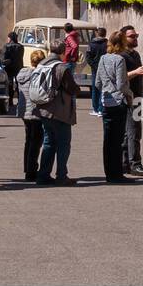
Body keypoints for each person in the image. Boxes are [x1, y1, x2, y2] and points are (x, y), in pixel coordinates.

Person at [34, 41, 80, 186]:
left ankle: (43, 175)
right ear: (62, 51)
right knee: (63, 144)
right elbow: (71, 88)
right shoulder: (61, 68)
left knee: (48, 143)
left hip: (44, 108)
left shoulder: (42, 65)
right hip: (60, 111)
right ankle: (61, 175)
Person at [96, 33, 136, 183]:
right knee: (117, 139)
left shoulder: (103, 58)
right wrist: (129, 93)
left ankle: (109, 173)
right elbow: (120, 84)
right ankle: (117, 174)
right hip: (118, 101)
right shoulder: (119, 59)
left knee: (108, 140)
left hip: (106, 101)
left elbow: (97, 83)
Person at [121, 26, 143, 176]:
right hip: (128, 98)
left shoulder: (135, 54)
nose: (135, 38)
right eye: (132, 36)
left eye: (136, 36)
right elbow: (120, 77)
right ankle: (134, 164)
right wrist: (136, 72)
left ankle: (126, 163)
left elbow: (139, 74)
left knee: (135, 132)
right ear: (123, 38)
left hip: (139, 97)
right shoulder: (121, 55)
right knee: (132, 132)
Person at [16, 47, 46, 181]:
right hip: (35, 110)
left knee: (28, 140)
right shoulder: (39, 75)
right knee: (36, 141)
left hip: (24, 111)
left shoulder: (22, 73)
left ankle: (27, 167)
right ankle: (31, 170)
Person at [84, 28, 106, 116]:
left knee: (95, 88)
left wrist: (94, 65)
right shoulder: (107, 44)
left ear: (97, 34)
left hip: (95, 69)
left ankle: (96, 109)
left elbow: (88, 57)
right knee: (103, 88)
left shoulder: (91, 44)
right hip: (104, 68)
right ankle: (101, 109)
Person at [2, 31, 24, 113]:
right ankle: (20, 100)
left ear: (10, 38)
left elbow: (4, 57)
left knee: (10, 84)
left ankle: (10, 100)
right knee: (19, 84)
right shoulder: (21, 47)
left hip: (9, 67)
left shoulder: (6, 46)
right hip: (18, 67)